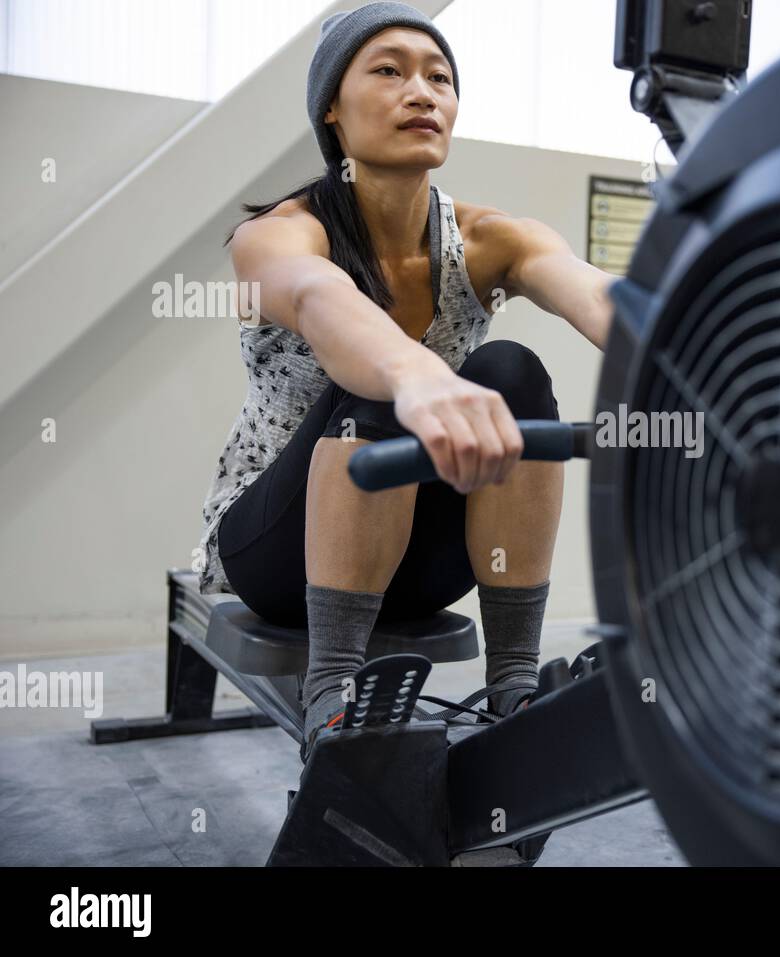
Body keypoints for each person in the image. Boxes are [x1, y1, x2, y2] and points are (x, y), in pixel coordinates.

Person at [194, 1, 616, 759]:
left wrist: (715, 357)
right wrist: (416, 372)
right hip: (280, 553)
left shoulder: (490, 239)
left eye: (439, 77)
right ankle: (331, 698)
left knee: (511, 370)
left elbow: (594, 292)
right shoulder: (279, 235)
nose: (421, 92)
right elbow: (322, 301)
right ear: (332, 108)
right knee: (375, 387)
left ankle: (513, 682)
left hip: (421, 554)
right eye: (388, 70)